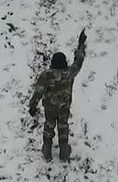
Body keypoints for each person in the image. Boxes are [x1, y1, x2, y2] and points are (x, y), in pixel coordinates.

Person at [29, 30, 88, 161]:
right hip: (64, 107)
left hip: (50, 108)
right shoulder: (69, 73)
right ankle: (64, 152)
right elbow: (79, 61)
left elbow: (38, 92)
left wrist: (32, 105)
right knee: (63, 127)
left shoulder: (46, 75)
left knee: (49, 126)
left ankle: (47, 151)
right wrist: (81, 45)